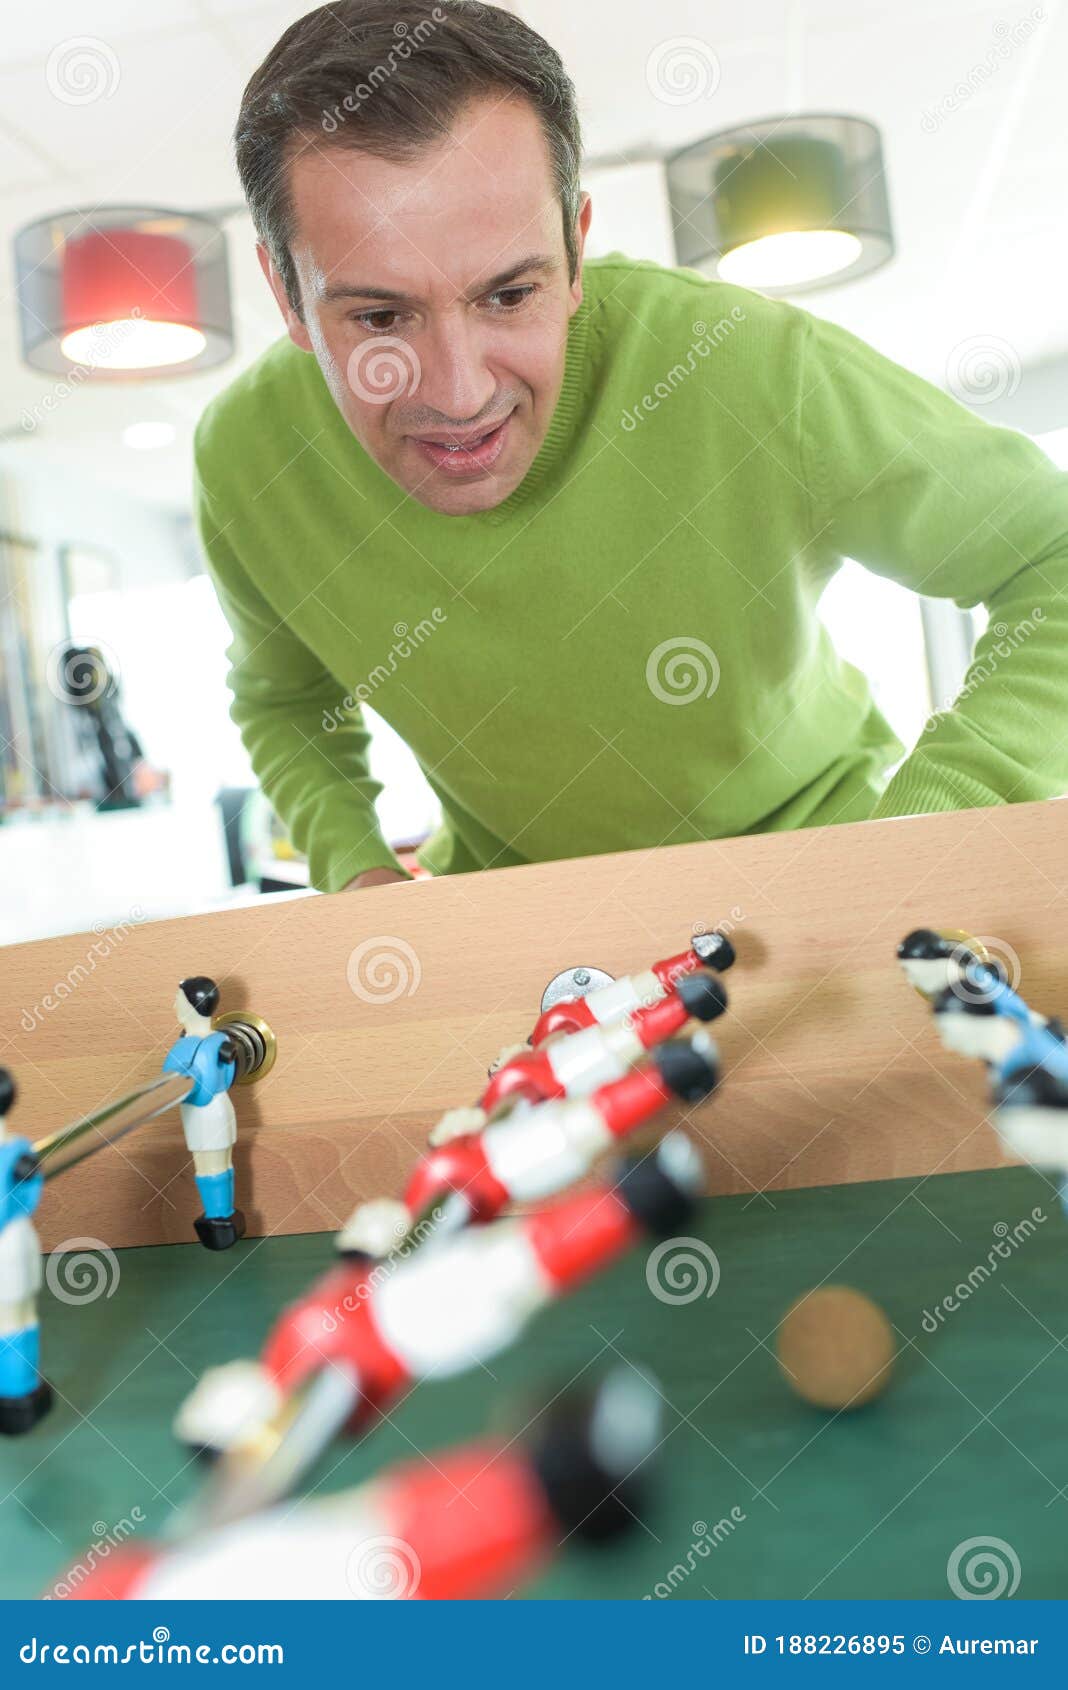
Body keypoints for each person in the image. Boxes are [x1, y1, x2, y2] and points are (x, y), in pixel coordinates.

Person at [194, 1, 1068, 897]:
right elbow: (285, 703)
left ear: (575, 248)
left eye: (508, 296)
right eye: (380, 317)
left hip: (821, 871)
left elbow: (1055, 558)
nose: (459, 395)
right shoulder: (245, 456)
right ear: (286, 293)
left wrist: (936, 824)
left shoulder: (749, 364)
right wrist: (358, 873)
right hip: (512, 917)